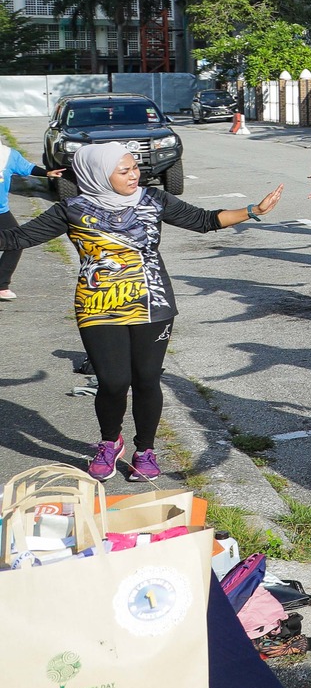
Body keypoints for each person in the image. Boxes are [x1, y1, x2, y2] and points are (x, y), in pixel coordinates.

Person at [0, 143, 282, 482]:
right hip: (97, 304)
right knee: (113, 381)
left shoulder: (153, 200)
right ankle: (109, 442)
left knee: (147, 379)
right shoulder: (71, 209)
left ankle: (145, 450)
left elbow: (204, 220)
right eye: (123, 171)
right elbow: (16, 238)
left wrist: (254, 210)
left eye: (134, 167)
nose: (134, 174)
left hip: (153, 303)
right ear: (98, 174)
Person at [0, 140, 58, 301]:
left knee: (17, 241)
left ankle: (1, 285)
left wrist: (47, 173)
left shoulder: (7, 155)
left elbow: (26, 167)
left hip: (1, 212)